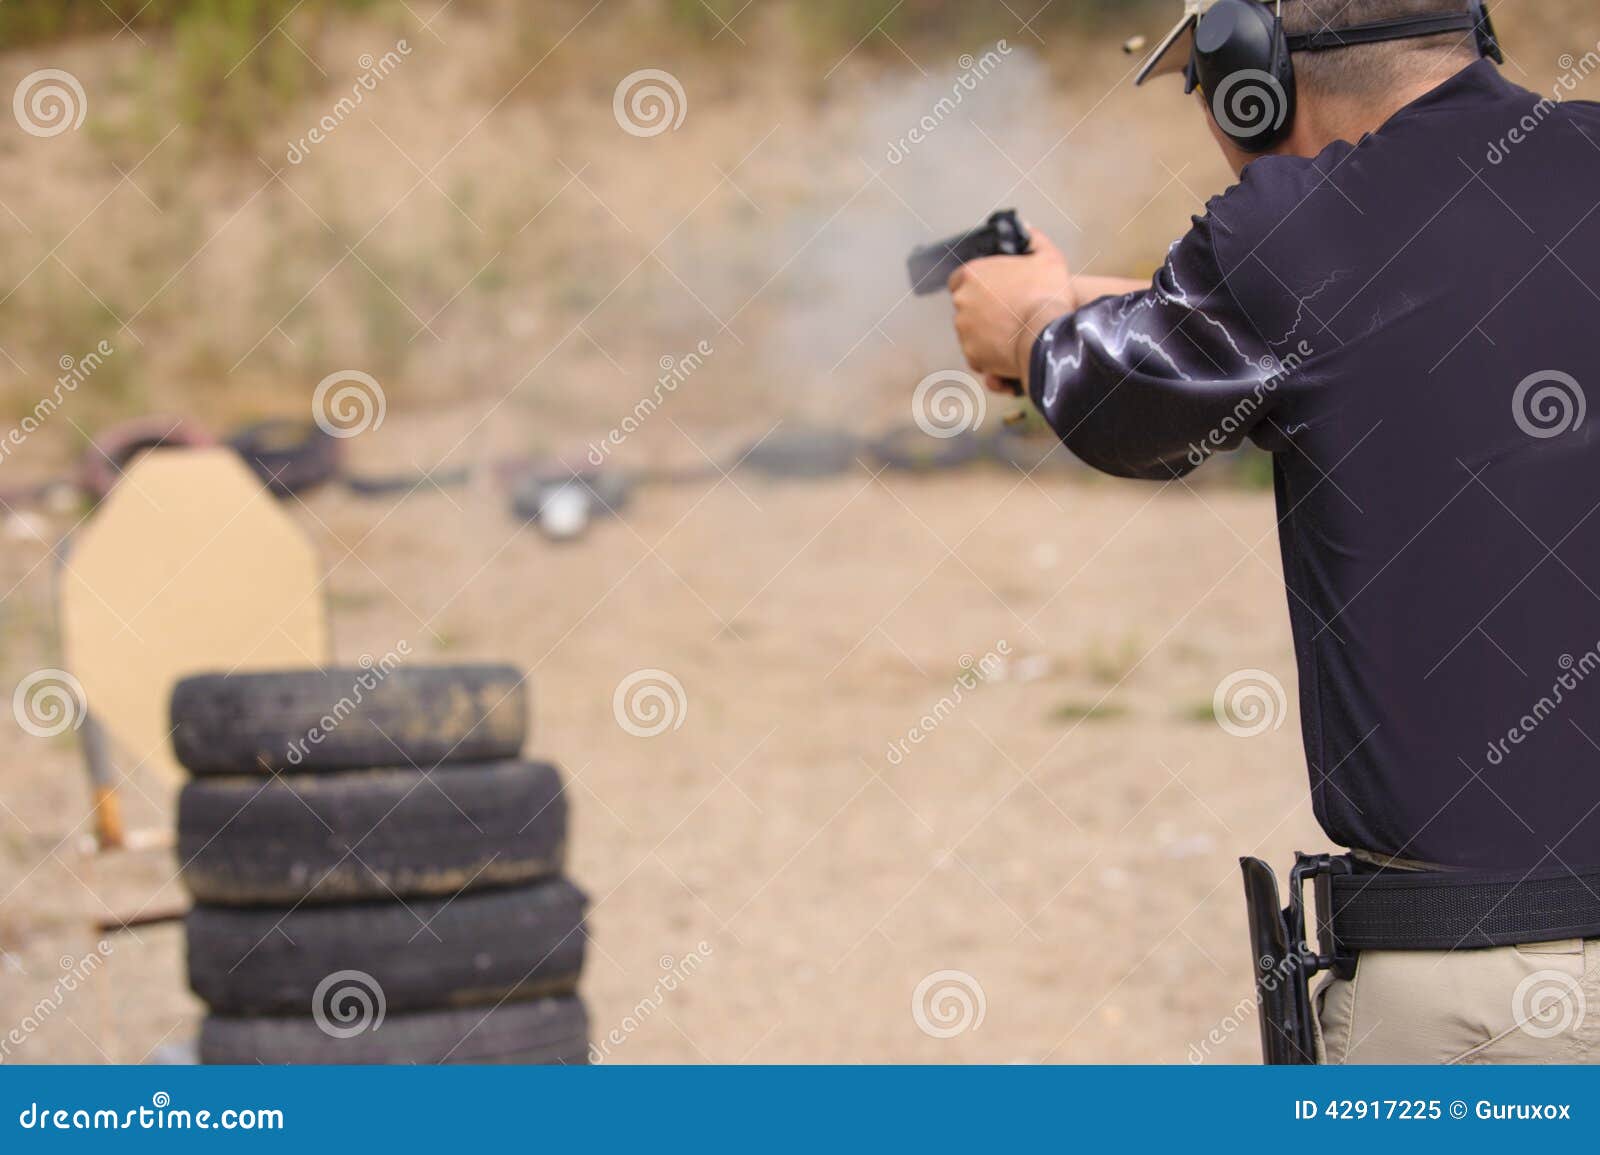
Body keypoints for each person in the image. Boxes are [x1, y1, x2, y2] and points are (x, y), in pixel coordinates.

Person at [946, 0, 1600, 1063]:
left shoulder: (1295, 230)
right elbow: (1397, 312)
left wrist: (1025, 325)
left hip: (1475, 1004)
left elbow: (1127, 408)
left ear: (1251, 70)